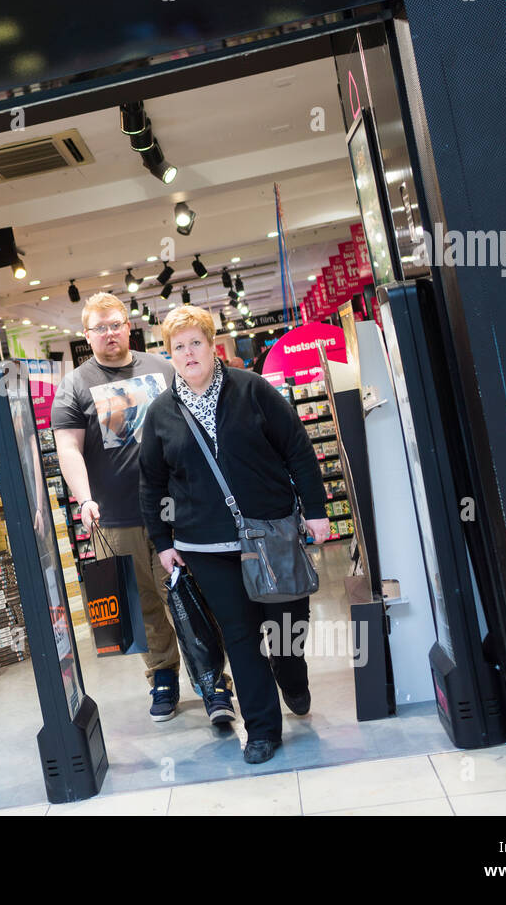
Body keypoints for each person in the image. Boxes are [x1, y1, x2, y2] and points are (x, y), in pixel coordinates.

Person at [138, 305, 331, 764]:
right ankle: (262, 730)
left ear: (212, 345)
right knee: (240, 636)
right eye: (178, 347)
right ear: (171, 355)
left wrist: (317, 511)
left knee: (287, 626)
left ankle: (293, 677)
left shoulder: (253, 390)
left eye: (195, 343)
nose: (188, 354)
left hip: (272, 532)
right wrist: (163, 542)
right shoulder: (162, 413)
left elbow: (298, 450)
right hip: (205, 546)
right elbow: (152, 483)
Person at [52, 292, 183, 721]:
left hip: (176, 509)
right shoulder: (74, 385)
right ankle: (161, 676)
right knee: (142, 602)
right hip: (114, 516)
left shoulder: (163, 369)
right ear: (86, 335)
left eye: (116, 324)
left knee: (190, 594)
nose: (110, 333)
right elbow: (67, 449)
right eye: (100, 327)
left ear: (129, 326)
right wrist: (84, 498)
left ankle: (213, 675)